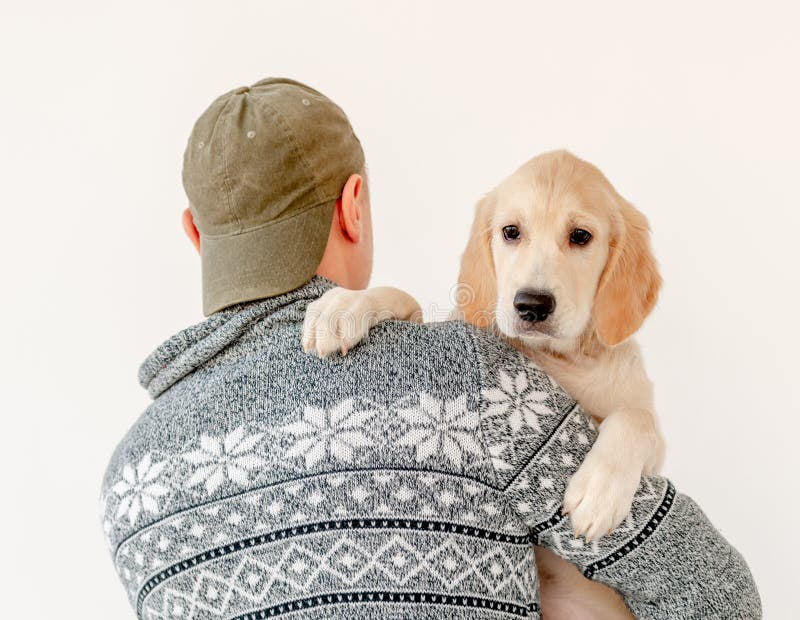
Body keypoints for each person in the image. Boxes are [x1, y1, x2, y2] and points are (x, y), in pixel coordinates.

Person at [100, 78, 761, 620]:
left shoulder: (129, 482)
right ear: (354, 207)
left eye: (577, 238)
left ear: (193, 233)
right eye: (512, 234)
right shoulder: (475, 386)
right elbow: (719, 599)